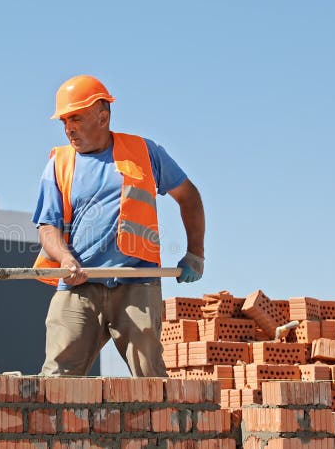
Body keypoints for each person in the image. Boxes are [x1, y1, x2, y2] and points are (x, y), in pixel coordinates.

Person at [32, 74, 206, 377]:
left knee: (150, 379)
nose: (69, 128)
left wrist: (195, 254)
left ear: (103, 117)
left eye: (76, 118)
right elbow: (48, 227)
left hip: (137, 282)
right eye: (64, 121)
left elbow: (189, 197)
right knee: (57, 379)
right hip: (79, 284)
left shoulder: (144, 152)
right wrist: (65, 259)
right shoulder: (59, 163)